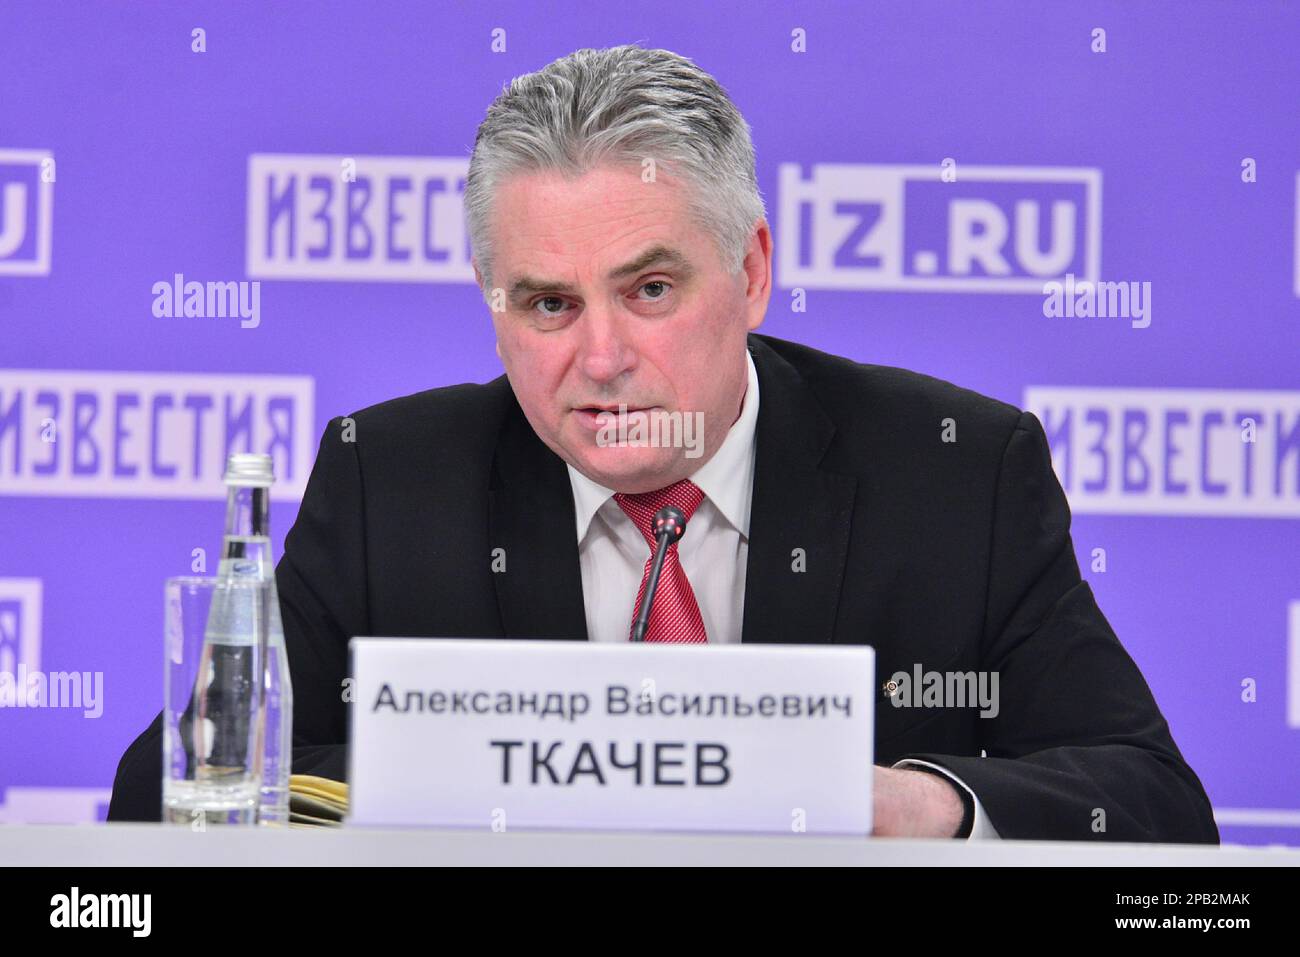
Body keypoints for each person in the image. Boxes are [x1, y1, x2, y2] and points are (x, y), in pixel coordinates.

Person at [110, 44, 1218, 842]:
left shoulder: (954, 471)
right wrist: (496, 785)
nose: (598, 357)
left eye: (648, 289)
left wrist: (925, 804)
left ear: (750, 273)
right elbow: (167, 788)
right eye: (546, 304)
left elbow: (1154, 805)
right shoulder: (390, 479)